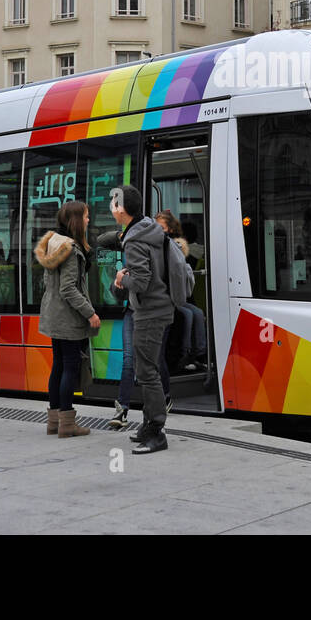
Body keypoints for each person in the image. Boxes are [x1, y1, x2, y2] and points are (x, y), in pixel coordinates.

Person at [97, 185, 174, 454]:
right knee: (147, 369)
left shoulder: (134, 240)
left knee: (147, 372)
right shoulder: (146, 229)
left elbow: (140, 282)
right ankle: (147, 426)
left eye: (113, 203)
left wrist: (120, 279)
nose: (111, 208)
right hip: (157, 308)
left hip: (149, 312)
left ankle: (156, 431)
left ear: (122, 209)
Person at [35, 200, 100, 438]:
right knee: (70, 368)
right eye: (85, 216)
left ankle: (53, 422)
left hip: (53, 314)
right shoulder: (71, 249)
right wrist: (90, 313)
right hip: (69, 318)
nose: (88, 220)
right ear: (75, 220)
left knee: (59, 366)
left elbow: (49, 284)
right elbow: (69, 288)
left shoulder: (54, 244)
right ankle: (67, 423)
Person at [157, 210, 205, 372]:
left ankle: (199, 354)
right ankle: (183, 356)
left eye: (162, 227)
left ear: (170, 229)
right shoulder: (158, 246)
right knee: (188, 314)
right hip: (166, 298)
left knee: (196, 313)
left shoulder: (175, 246)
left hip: (176, 296)